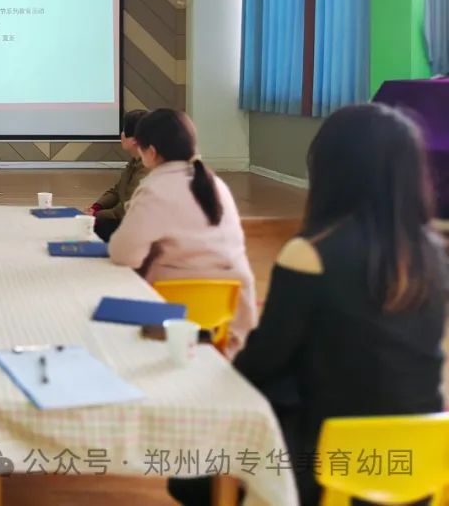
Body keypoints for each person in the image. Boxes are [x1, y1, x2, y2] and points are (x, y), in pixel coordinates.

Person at [187, 105, 446, 506]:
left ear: (330, 170)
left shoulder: (312, 253)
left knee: (191, 478)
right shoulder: (432, 255)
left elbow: (262, 362)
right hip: (423, 457)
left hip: (329, 459)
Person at [108, 108, 256, 358]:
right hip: (230, 309)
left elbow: (124, 255)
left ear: (151, 152)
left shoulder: (154, 189)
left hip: (171, 309)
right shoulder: (215, 184)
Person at [88, 109, 149, 242]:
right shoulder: (135, 161)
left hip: (138, 227)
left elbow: (127, 208)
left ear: (135, 140)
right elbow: (117, 191)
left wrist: (96, 216)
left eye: (124, 131)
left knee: (97, 227)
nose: (121, 134)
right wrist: (97, 207)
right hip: (126, 219)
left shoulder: (146, 167)